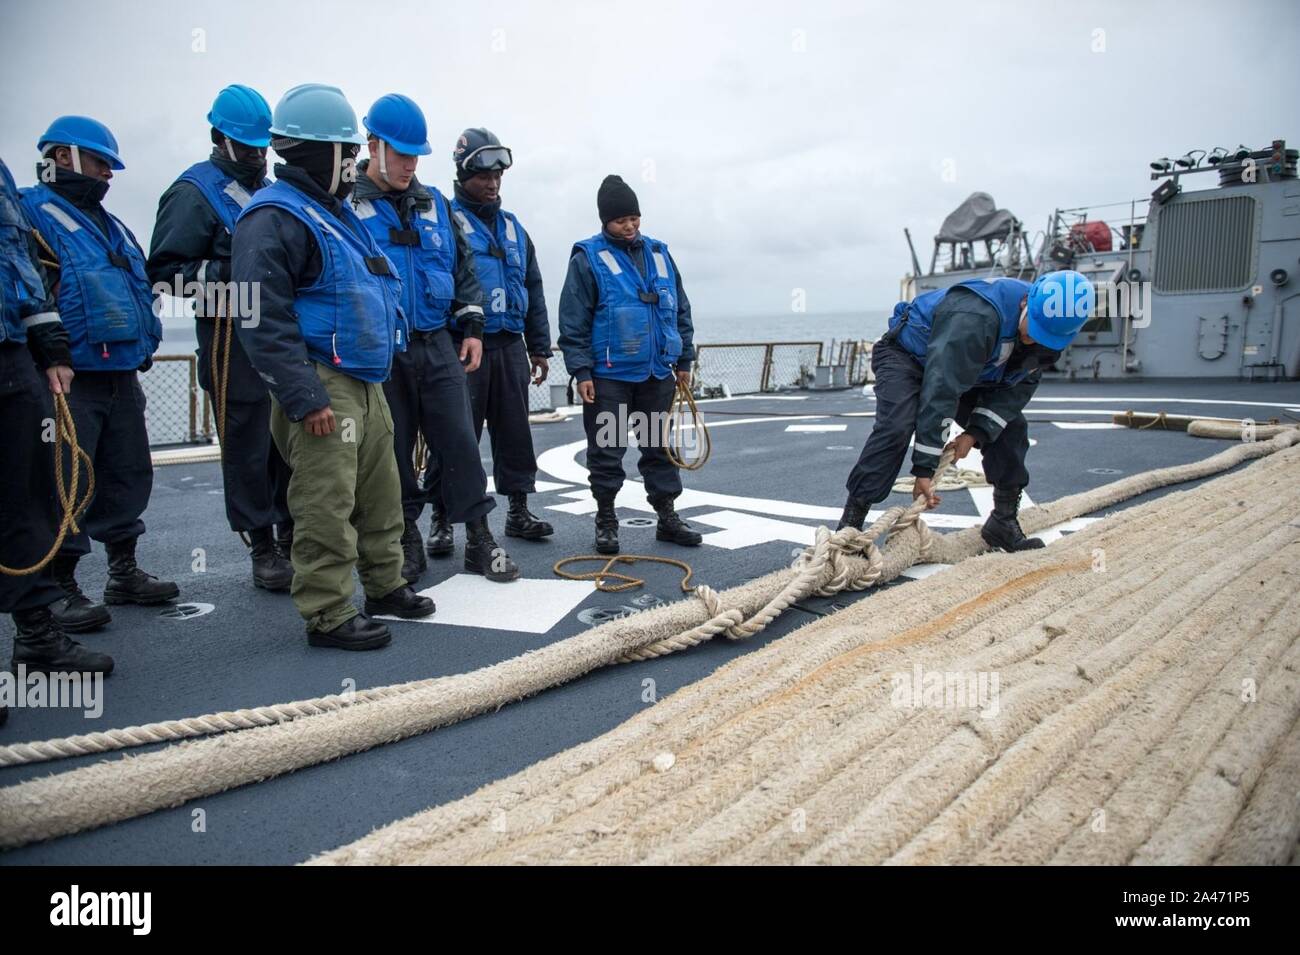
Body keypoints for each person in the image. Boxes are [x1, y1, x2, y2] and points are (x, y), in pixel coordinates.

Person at [231, 83, 433, 651]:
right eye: (349, 155)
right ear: (326, 154)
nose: (354, 166)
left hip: (365, 383)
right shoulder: (273, 218)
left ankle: (386, 585)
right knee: (326, 502)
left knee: (381, 494)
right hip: (323, 385)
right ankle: (327, 612)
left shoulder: (332, 215)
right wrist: (304, 396)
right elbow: (261, 318)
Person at [348, 96, 519, 585]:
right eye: (400, 154)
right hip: (383, 353)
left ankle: (480, 538)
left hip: (437, 344)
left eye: (415, 155)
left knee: (461, 443)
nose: (409, 165)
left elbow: (462, 271)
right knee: (392, 450)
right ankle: (406, 537)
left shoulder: (435, 206)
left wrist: (471, 327)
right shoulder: (346, 207)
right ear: (373, 146)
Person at [20, 116, 179, 634]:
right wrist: (48, 354)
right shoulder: (31, 213)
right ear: (62, 157)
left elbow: (138, 287)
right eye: (99, 162)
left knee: (128, 472)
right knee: (66, 481)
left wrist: (146, 341)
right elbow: (28, 287)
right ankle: (60, 585)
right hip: (68, 378)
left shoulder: (112, 225)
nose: (107, 174)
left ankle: (123, 570)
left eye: (110, 165)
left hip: (120, 373)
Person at [147, 84, 293, 591]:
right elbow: (166, 276)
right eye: (249, 146)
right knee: (249, 445)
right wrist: (234, 278)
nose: (257, 155)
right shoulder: (194, 193)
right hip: (232, 342)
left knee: (287, 441)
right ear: (220, 139)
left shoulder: (270, 191)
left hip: (282, 337)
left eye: (262, 146)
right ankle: (264, 545)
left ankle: (294, 533)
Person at [838, 271, 1095, 551]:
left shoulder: (1049, 335)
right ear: (1025, 303)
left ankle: (1002, 521)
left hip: (973, 370)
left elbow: (1017, 388)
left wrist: (975, 433)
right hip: (908, 356)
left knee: (1011, 429)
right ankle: (850, 526)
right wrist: (925, 468)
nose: (1034, 340)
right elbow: (942, 389)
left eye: (1044, 337)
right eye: (1034, 329)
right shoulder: (977, 318)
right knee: (897, 426)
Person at [1, 154, 114, 727]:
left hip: (12, 351)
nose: (107, 175)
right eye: (97, 165)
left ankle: (36, 633)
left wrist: (49, 349)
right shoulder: (34, 201)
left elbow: (19, 268)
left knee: (29, 497)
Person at [425, 127, 553, 551]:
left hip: (509, 344)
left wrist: (538, 346)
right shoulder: (443, 219)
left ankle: (518, 511)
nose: (493, 182)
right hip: (463, 344)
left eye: (498, 175)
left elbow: (533, 287)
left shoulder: (515, 229)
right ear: (463, 174)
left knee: (515, 433)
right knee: (455, 434)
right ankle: (441, 518)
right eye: (484, 175)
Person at [557, 174, 699, 555]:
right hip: (610, 378)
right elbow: (573, 320)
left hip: (656, 374)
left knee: (658, 447)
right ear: (605, 221)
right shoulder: (588, 259)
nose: (630, 226)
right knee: (607, 449)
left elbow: (680, 308)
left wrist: (685, 357)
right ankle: (606, 519)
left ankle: (667, 516)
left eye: (635, 218)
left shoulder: (659, 253)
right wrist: (581, 371)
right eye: (622, 221)